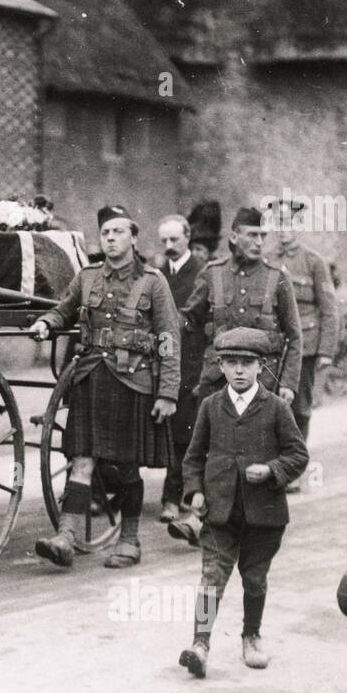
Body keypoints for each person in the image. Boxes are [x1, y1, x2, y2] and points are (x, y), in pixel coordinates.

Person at [29, 205, 181, 570]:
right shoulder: (87, 277)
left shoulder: (153, 282)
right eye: (106, 233)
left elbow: (168, 338)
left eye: (118, 232)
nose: (111, 238)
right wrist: (46, 324)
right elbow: (63, 310)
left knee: (127, 467)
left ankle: (129, 541)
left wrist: (168, 392)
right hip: (92, 379)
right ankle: (65, 537)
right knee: (81, 459)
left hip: (134, 384)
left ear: (133, 237)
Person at [177, 328, 309, 679]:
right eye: (231, 363)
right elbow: (193, 458)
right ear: (219, 365)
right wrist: (196, 492)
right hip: (219, 512)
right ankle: (200, 644)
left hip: (263, 515)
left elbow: (298, 455)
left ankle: (251, 636)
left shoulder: (277, 408)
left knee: (254, 579)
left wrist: (270, 470)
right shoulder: (210, 406)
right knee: (211, 578)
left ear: (261, 367)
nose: (239, 370)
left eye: (247, 363)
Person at [171, 207, 301, 547]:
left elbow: (294, 336)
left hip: (262, 382)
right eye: (252, 235)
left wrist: (287, 384)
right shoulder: (213, 274)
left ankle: (233, 521)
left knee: (251, 451)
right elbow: (190, 319)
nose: (259, 242)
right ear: (233, 237)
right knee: (211, 447)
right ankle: (199, 516)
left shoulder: (277, 277)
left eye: (262, 236)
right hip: (216, 377)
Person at [267, 200, 339, 480]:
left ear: (299, 225)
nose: (283, 229)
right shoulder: (267, 258)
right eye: (278, 223)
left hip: (306, 348)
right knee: (271, 407)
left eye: (288, 223)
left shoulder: (314, 262)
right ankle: (274, 466)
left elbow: (329, 309)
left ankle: (293, 469)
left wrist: (326, 352)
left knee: (299, 410)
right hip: (274, 346)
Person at [155, 214, 206, 532]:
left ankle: (173, 498)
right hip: (162, 358)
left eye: (175, 240)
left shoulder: (201, 273)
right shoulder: (157, 274)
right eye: (164, 241)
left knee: (182, 432)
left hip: (191, 360)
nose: (169, 246)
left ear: (188, 237)